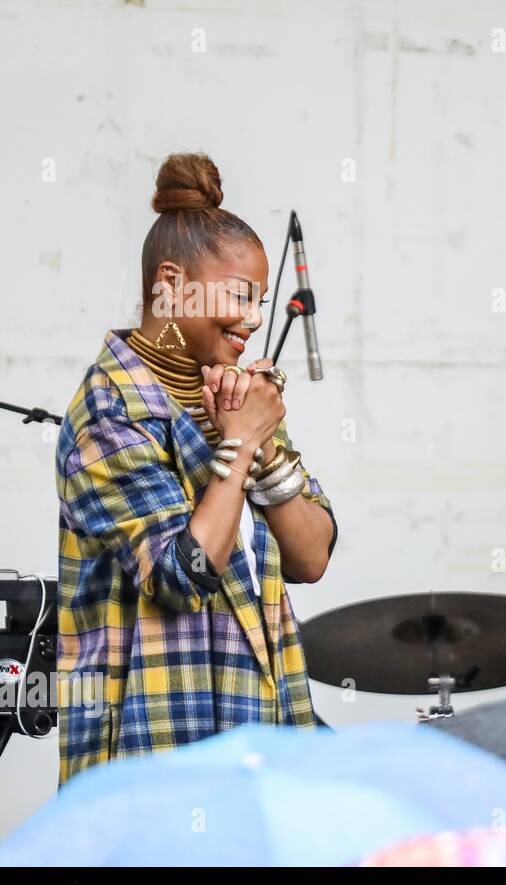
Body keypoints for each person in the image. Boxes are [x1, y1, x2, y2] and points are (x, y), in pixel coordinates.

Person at [55, 153, 338, 783]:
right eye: (239, 295)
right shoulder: (111, 407)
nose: (255, 318)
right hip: (152, 762)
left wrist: (259, 445)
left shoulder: (240, 403)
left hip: (262, 746)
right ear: (172, 284)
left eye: (261, 300)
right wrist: (238, 448)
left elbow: (312, 557)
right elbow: (183, 575)